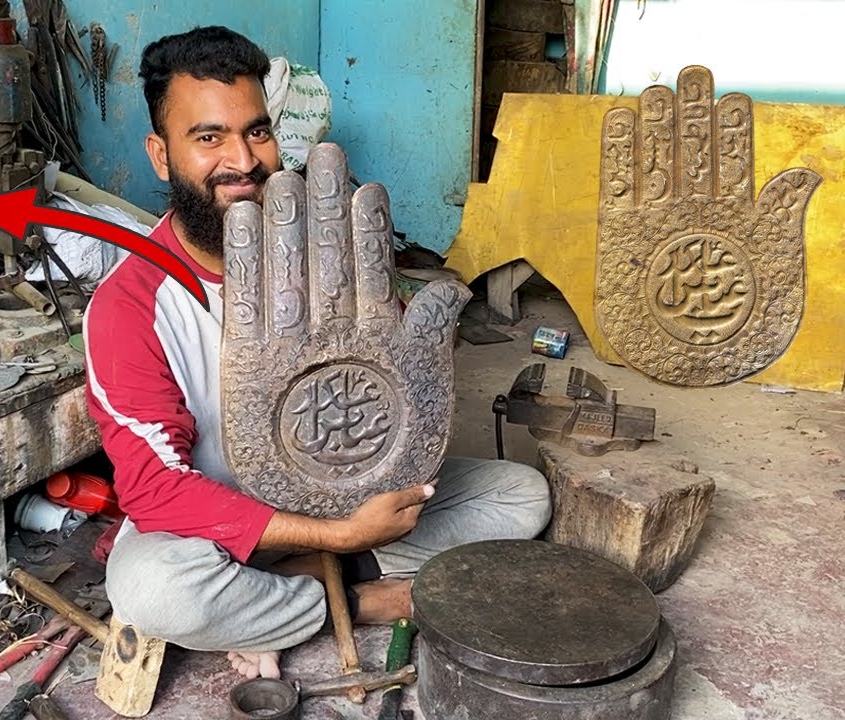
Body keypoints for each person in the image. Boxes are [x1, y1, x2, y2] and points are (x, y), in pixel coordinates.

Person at [80, 26, 552, 680]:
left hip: (353, 496)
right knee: (151, 590)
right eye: (208, 137)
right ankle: (363, 597)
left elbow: (385, 395)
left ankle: (283, 604)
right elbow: (157, 490)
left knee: (521, 498)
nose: (242, 161)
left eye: (258, 131)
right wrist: (338, 538)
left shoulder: (327, 258)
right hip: (221, 533)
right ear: (161, 156)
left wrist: (411, 365)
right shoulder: (129, 306)